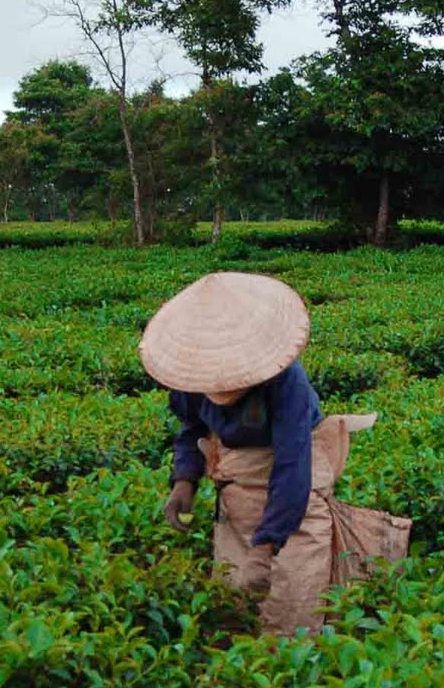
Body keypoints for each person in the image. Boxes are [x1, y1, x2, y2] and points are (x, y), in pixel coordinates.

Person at [141, 271, 409, 635]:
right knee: (234, 616)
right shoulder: (192, 376)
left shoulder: (286, 383)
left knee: (292, 614)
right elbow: (191, 429)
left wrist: (266, 547)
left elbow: (292, 465)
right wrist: (184, 481)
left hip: (293, 507)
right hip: (235, 502)